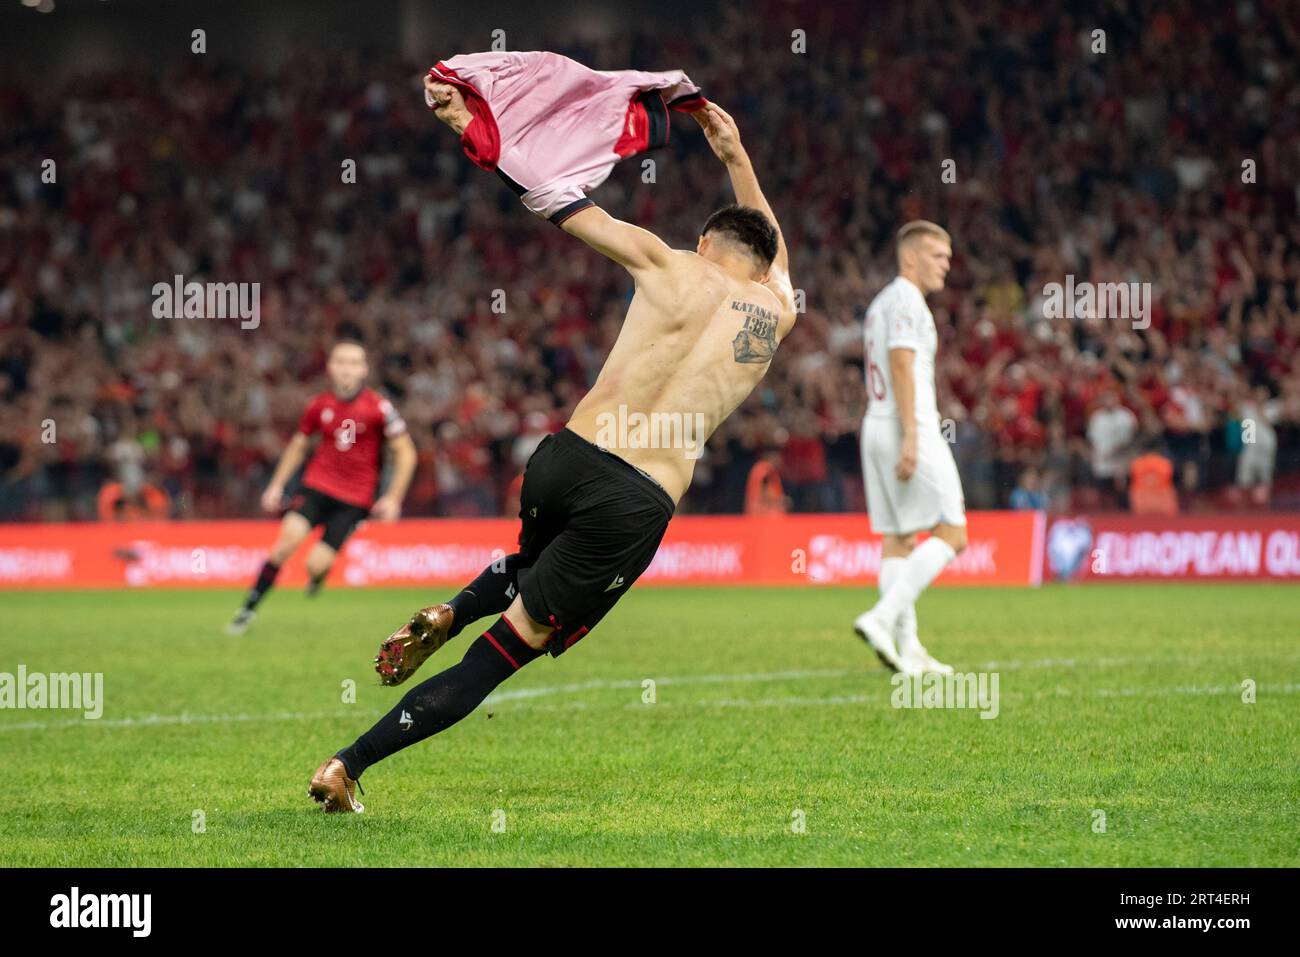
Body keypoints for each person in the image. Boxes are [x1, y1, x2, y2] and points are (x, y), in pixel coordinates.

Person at [308, 103, 796, 812]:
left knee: (530, 563)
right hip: (636, 497)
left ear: (703, 240)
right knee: (504, 653)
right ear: (765, 261)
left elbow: (558, 198)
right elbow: (778, 261)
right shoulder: (775, 311)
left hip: (564, 458)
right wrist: (736, 152)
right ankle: (348, 764)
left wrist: (473, 129)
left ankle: (454, 608)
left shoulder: (665, 261)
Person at [226, 339, 416, 636]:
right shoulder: (319, 405)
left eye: (354, 363)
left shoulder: (379, 408)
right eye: (341, 362)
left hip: (355, 498)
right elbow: (299, 445)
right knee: (286, 542)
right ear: (330, 367)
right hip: (317, 486)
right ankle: (246, 610)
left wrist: (393, 497)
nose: (346, 370)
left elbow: (406, 452)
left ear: (364, 369)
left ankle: (317, 576)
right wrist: (276, 485)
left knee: (315, 565)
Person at [853, 221, 967, 677]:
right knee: (953, 533)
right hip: (907, 423)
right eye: (938, 256)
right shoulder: (906, 300)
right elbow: (901, 363)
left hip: (875, 423)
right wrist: (914, 437)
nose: (946, 266)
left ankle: (908, 648)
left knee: (899, 541)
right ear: (911, 257)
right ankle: (880, 619)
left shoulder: (881, 302)